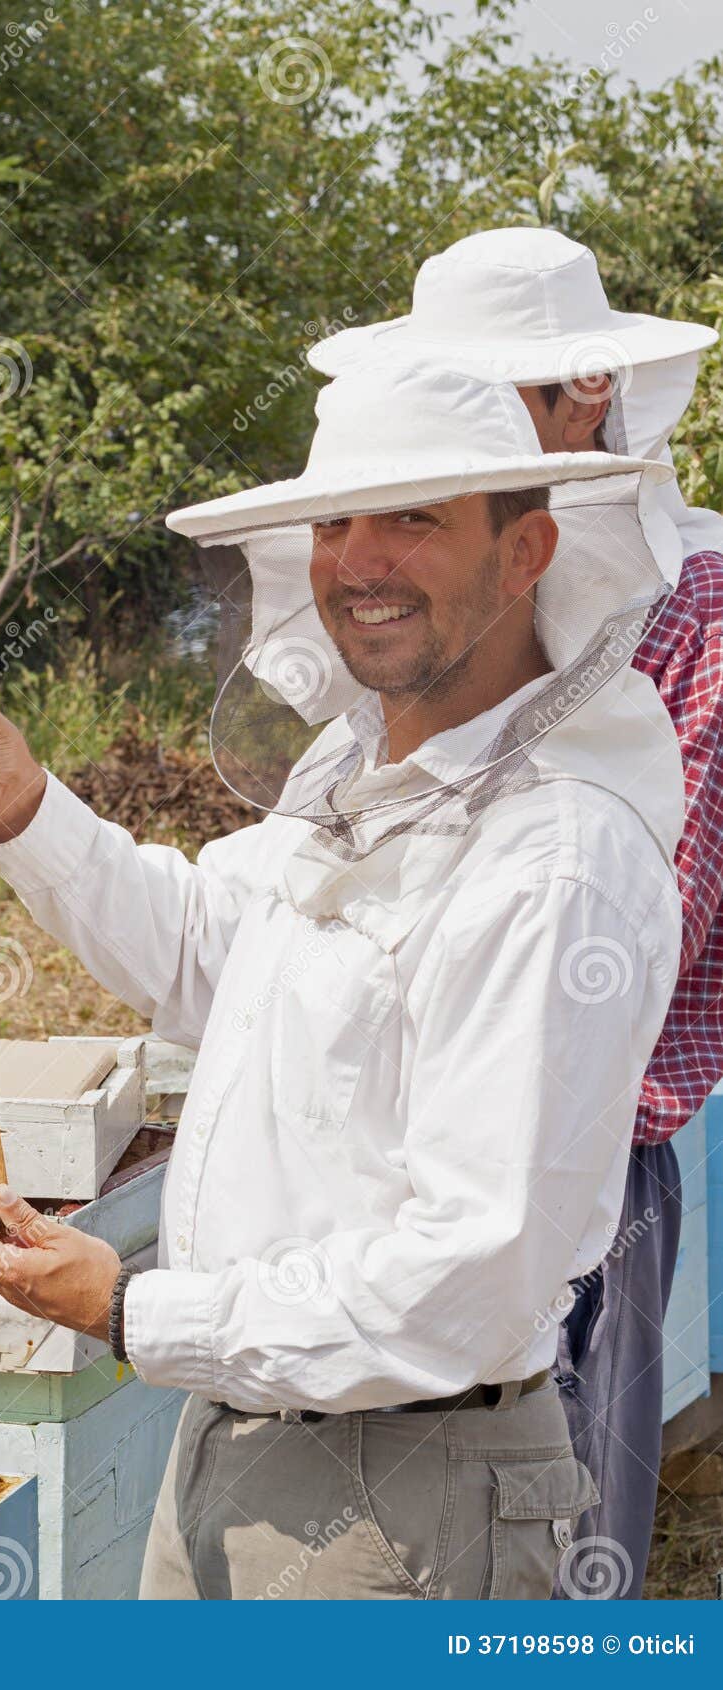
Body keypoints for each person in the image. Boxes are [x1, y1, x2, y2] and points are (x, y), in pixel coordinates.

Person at [0, 358, 684, 1599]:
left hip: (409, 1497)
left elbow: (471, 1272)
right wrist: (27, 806)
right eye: (333, 523)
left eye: (412, 519)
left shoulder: (553, 861)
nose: (357, 562)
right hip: (233, 1434)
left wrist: (136, 1309)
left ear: (524, 547)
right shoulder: (356, 769)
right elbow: (218, 949)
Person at [306, 228, 723, 1598]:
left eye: (495, 400)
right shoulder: (437, 582)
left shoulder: (693, 611)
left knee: (550, 1573)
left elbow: (621, 961)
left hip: (577, 1180)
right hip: (378, 1151)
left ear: (588, 390)